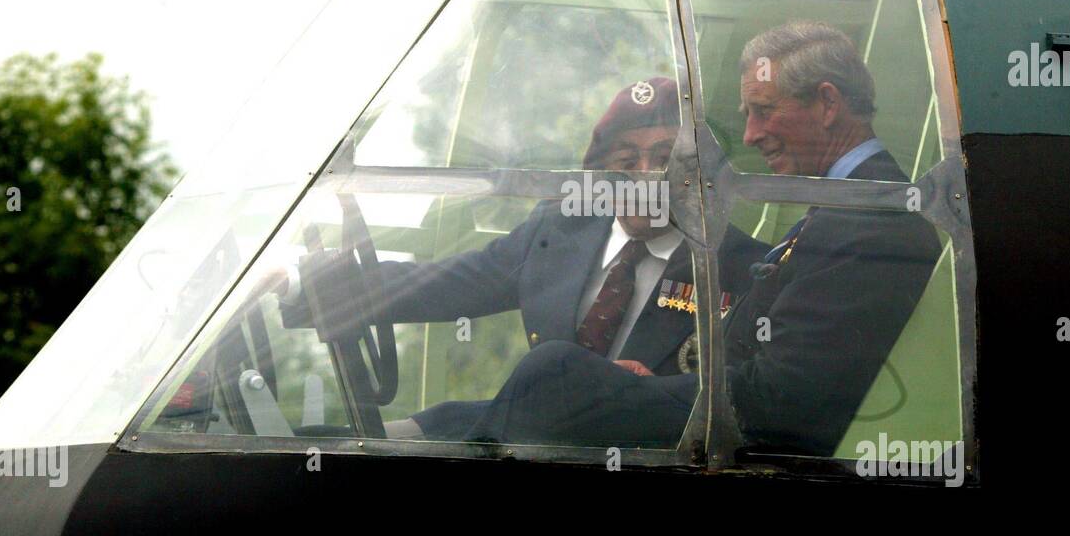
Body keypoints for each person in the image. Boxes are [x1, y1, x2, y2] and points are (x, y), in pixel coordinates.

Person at [450, 21, 940, 455]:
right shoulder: (853, 209)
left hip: (765, 452)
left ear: (828, 103)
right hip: (736, 422)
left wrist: (665, 393)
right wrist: (665, 383)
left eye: (763, 110)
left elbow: (790, 397)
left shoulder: (875, 223)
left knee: (554, 373)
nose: (749, 135)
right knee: (469, 409)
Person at [272, 76, 767, 440]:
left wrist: (655, 393)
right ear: (597, 174)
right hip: (517, 441)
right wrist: (296, 281)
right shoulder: (561, 231)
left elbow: (753, 401)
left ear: (700, 174)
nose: (643, 179)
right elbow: (444, 283)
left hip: (640, 465)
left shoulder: (746, 270)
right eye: (624, 162)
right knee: (313, 443)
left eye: (666, 160)